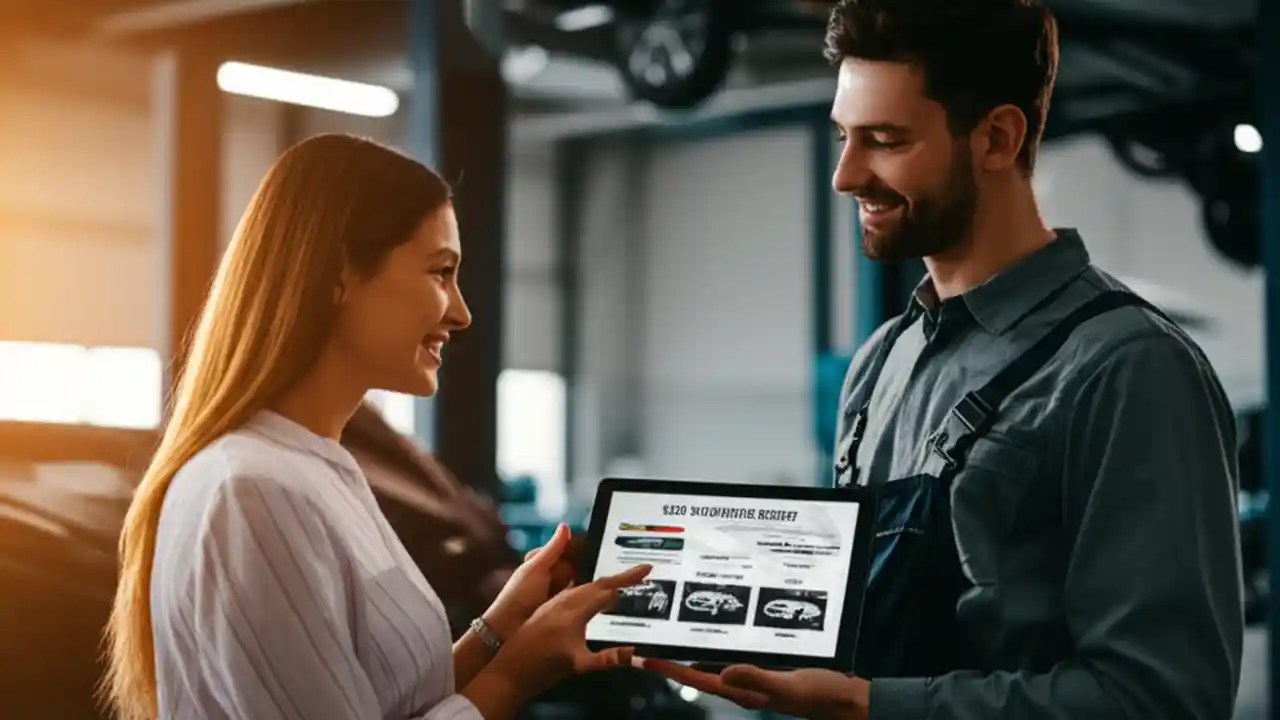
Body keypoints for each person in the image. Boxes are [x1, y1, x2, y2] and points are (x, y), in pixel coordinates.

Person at [642, 0, 1244, 718]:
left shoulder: (1128, 369)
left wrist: (874, 706)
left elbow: (1163, 698)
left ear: (996, 137)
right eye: (843, 136)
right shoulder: (879, 362)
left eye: (885, 140)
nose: (844, 175)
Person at [102, 134, 650, 720]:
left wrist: (501, 626)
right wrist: (520, 672)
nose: (461, 312)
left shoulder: (319, 469)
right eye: (441, 272)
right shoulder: (253, 489)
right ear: (338, 271)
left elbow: (384, 705)